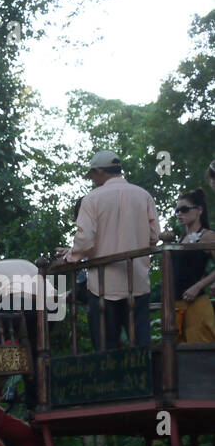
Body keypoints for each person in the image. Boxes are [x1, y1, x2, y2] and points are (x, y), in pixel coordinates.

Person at [59, 150, 160, 350]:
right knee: (141, 347)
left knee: (106, 351)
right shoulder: (143, 196)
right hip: (137, 282)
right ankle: (145, 371)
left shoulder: (92, 199)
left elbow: (85, 240)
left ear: (99, 172)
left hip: (103, 287)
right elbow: (154, 237)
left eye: (92, 176)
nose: (93, 181)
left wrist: (70, 256)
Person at [159, 189, 215, 343]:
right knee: (179, 352)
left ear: (199, 210)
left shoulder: (207, 236)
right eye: (176, 210)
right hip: (177, 305)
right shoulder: (181, 239)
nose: (179, 213)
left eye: (184, 209)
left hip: (196, 303)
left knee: (200, 351)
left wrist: (198, 286)